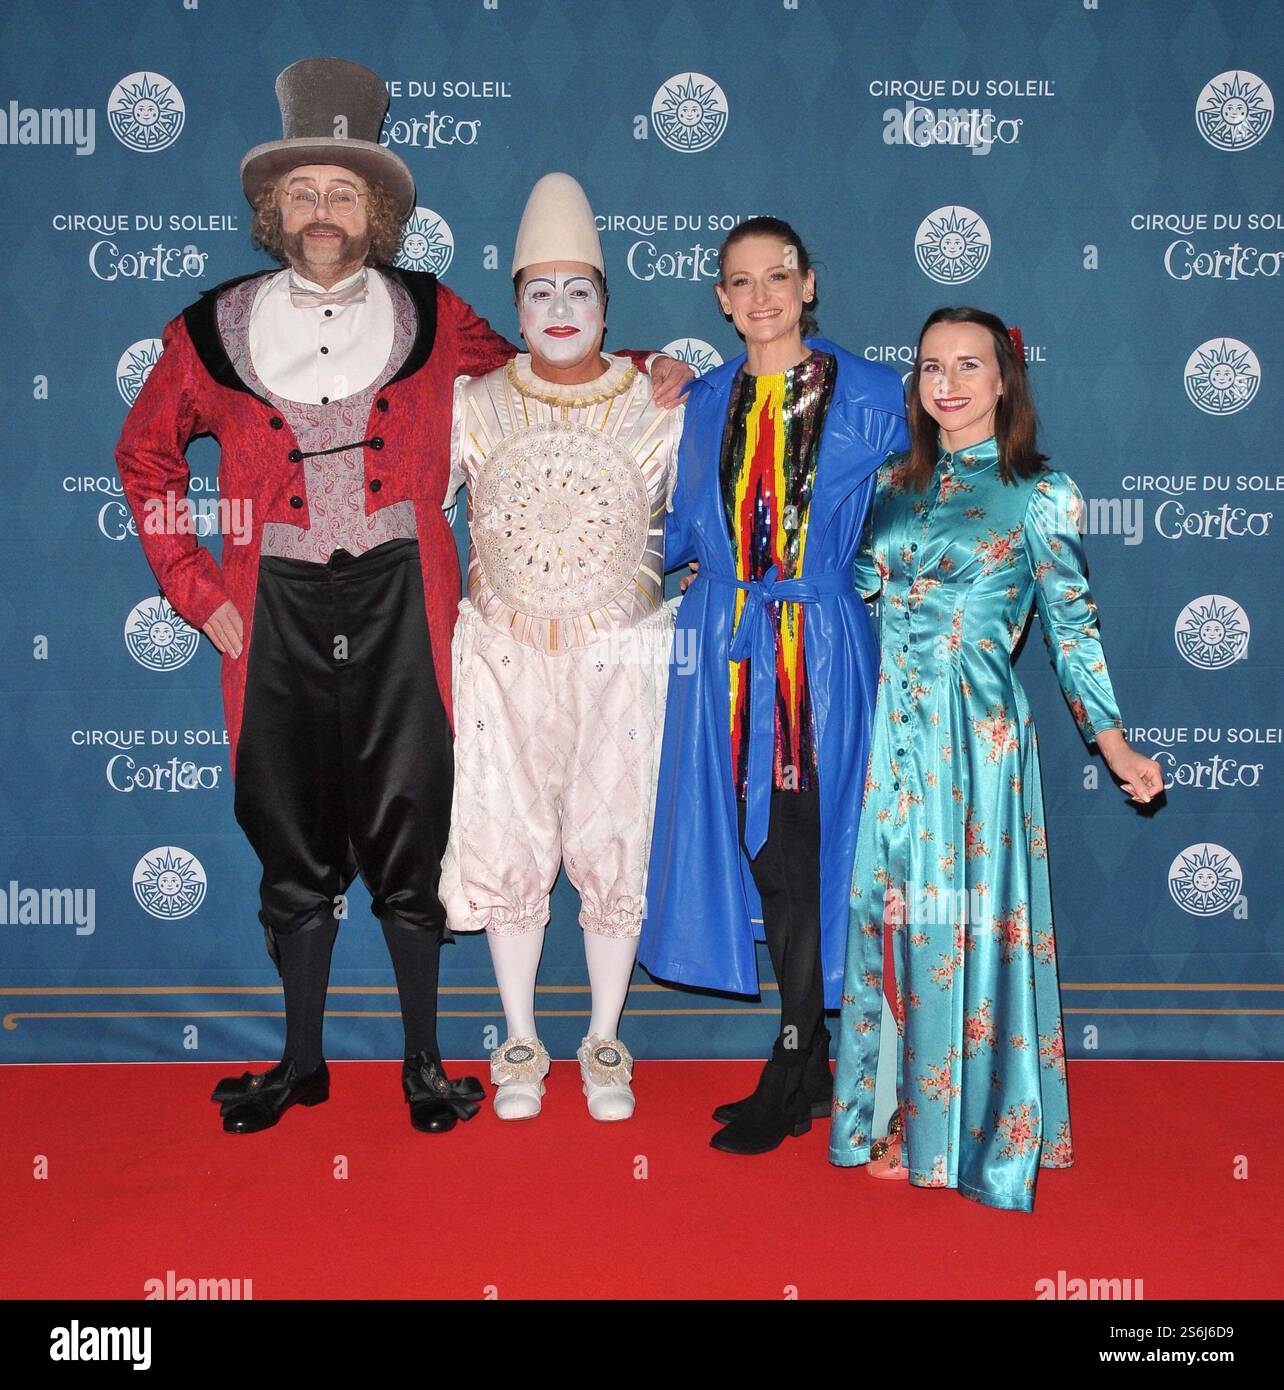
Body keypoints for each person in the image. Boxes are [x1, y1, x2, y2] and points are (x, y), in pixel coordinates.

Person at [114, 58, 687, 1136]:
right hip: (272, 604)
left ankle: (426, 1058)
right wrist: (196, 589)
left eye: (341, 192)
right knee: (288, 829)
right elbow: (145, 459)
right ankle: (297, 1060)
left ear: (374, 209)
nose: (321, 212)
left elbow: (546, 369)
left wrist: (658, 369)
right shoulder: (207, 330)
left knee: (410, 822)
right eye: (301, 193)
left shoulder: (433, 315)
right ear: (271, 210)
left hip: (403, 608)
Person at [828, 306, 1163, 1209]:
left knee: (952, 926)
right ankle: (895, 1107)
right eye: (932, 367)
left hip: (972, 741)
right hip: (883, 730)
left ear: (1005, 380)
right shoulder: (896, 485)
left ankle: (957, 1130)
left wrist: (1113, 738)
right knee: (890, 923)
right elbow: (852, 594)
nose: (947, 384)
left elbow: (1072, 624)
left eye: (968, 366)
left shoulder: (1039, 492)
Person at [640, 217, 909, 1154]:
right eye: (740, 282)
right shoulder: (702, 400)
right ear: (719, 298)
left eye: (778, 277)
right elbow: (666, 533)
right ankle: (814, 1057)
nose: (760, 297)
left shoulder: (877, 397)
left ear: (809, 285)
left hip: (819, 647)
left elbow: (938, 498)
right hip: (723, 646)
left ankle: (792, 1059)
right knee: (763, 850)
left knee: (802, 841)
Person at [439, 173, 683, 1122]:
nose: (560, 309)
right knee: (507, 833)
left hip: (623, 659)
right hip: (501, 655)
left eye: (579, 290)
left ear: (608, 304)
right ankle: (520, 1037)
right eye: (539, 292)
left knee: (614, 836)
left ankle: (606, 1038)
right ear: (515, 307)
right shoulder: (473, 404)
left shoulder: (665, 404)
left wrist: (670, 368)